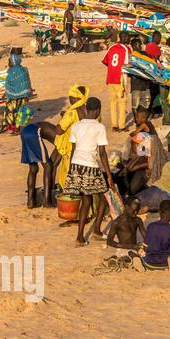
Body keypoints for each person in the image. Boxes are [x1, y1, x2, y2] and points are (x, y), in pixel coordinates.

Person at [66, 97, 113, 246]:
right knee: (105, 197)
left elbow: (73, 149)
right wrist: (109, 175)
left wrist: (71, 171)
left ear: (86, 109)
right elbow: (102, 153)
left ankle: (80, 237)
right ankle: (97, 230)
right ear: (98, 111)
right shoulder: (99, 127)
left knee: (86, 201)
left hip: (75, 165)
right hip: (90, 166)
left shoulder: (76, 126)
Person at [52, 85, 89, 195]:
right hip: (87, 149)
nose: (70, 100)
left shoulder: (71, 112)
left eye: (71, 97)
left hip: (71, 149)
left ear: (77, 98)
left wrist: (62, 118)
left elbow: (59, 130)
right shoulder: (89, 110)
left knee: (68, 177)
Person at [136, 200, 170, 271]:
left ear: (159, 212)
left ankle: (139, 262)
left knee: (136, 251)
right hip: (164, 264)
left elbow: (145, 248)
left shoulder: (151, 226)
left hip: (149, 263)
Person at [102, 31, 131, 131]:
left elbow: (105, 61)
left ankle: (114, 124)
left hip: (110, 77)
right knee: (122, 102)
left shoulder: (112, 47)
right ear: (126, 37)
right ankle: (122, 125)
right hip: (120, 78)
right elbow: (128, 65)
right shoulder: (126, 49)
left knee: (113, 102)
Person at [20, 120, 48, 208]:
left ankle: (30, 201)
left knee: (33, 169)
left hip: (24, 132)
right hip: (34, 132)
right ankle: (47, 201)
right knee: (48, 166)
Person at [3, 48, 32, 132]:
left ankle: (14, 128)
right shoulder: (23, 69)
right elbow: (27, 82)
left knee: (11, 111)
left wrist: (6, 93)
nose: (9, 63)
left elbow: (9, 84)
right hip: (23, 96)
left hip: (13, 97)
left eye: (10, 61)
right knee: (20, 111)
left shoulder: (12, 72)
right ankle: (18, 127)